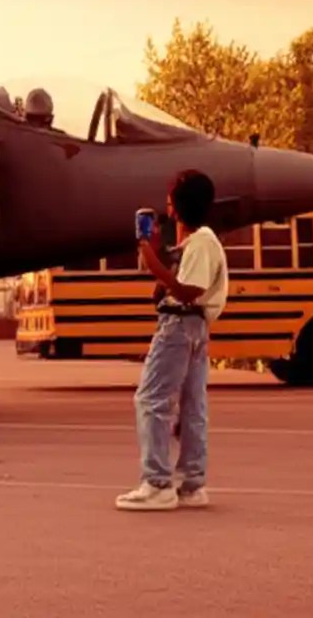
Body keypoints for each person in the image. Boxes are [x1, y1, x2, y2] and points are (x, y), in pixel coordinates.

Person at [115, 169, 228, 511]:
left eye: (169, 204)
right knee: (192, 405)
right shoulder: (196, 243)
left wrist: (151, 259)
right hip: (194, 329)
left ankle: (157, 483)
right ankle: (191, 484)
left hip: (179, 326)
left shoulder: (203, 243)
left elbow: (188, 291)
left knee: (151, 400)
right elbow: (181, 281)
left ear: (178, 208)